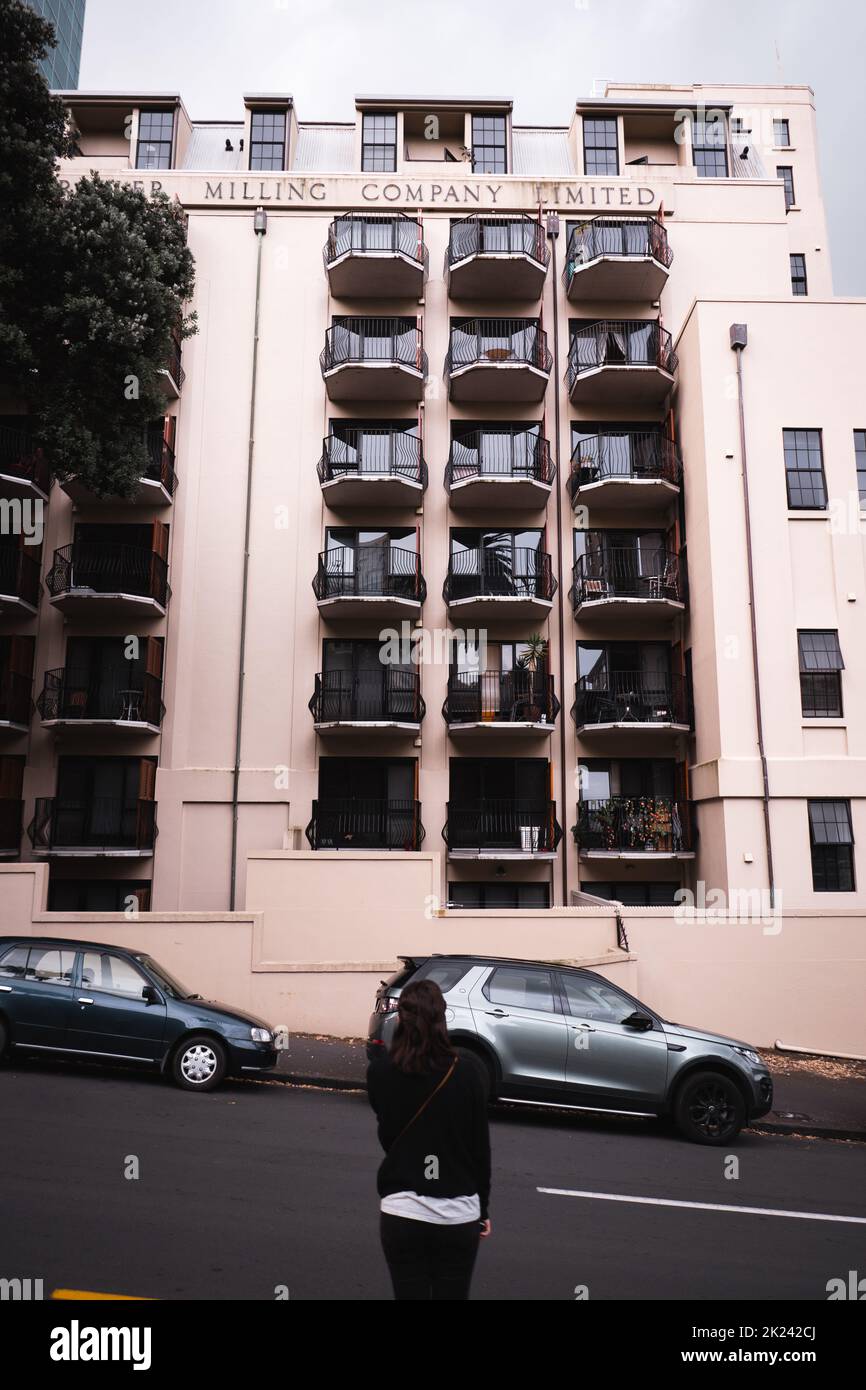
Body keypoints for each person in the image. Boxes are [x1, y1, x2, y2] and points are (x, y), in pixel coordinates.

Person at [367, 978, 491, 1300]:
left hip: (402, 1213)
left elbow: (389, 1136)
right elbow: (480, 1149)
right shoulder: (468, 1072)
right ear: (442, 1018)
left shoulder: (381, 1071)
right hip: (458, 1214)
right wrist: (484, 1211)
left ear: (401, 1018)